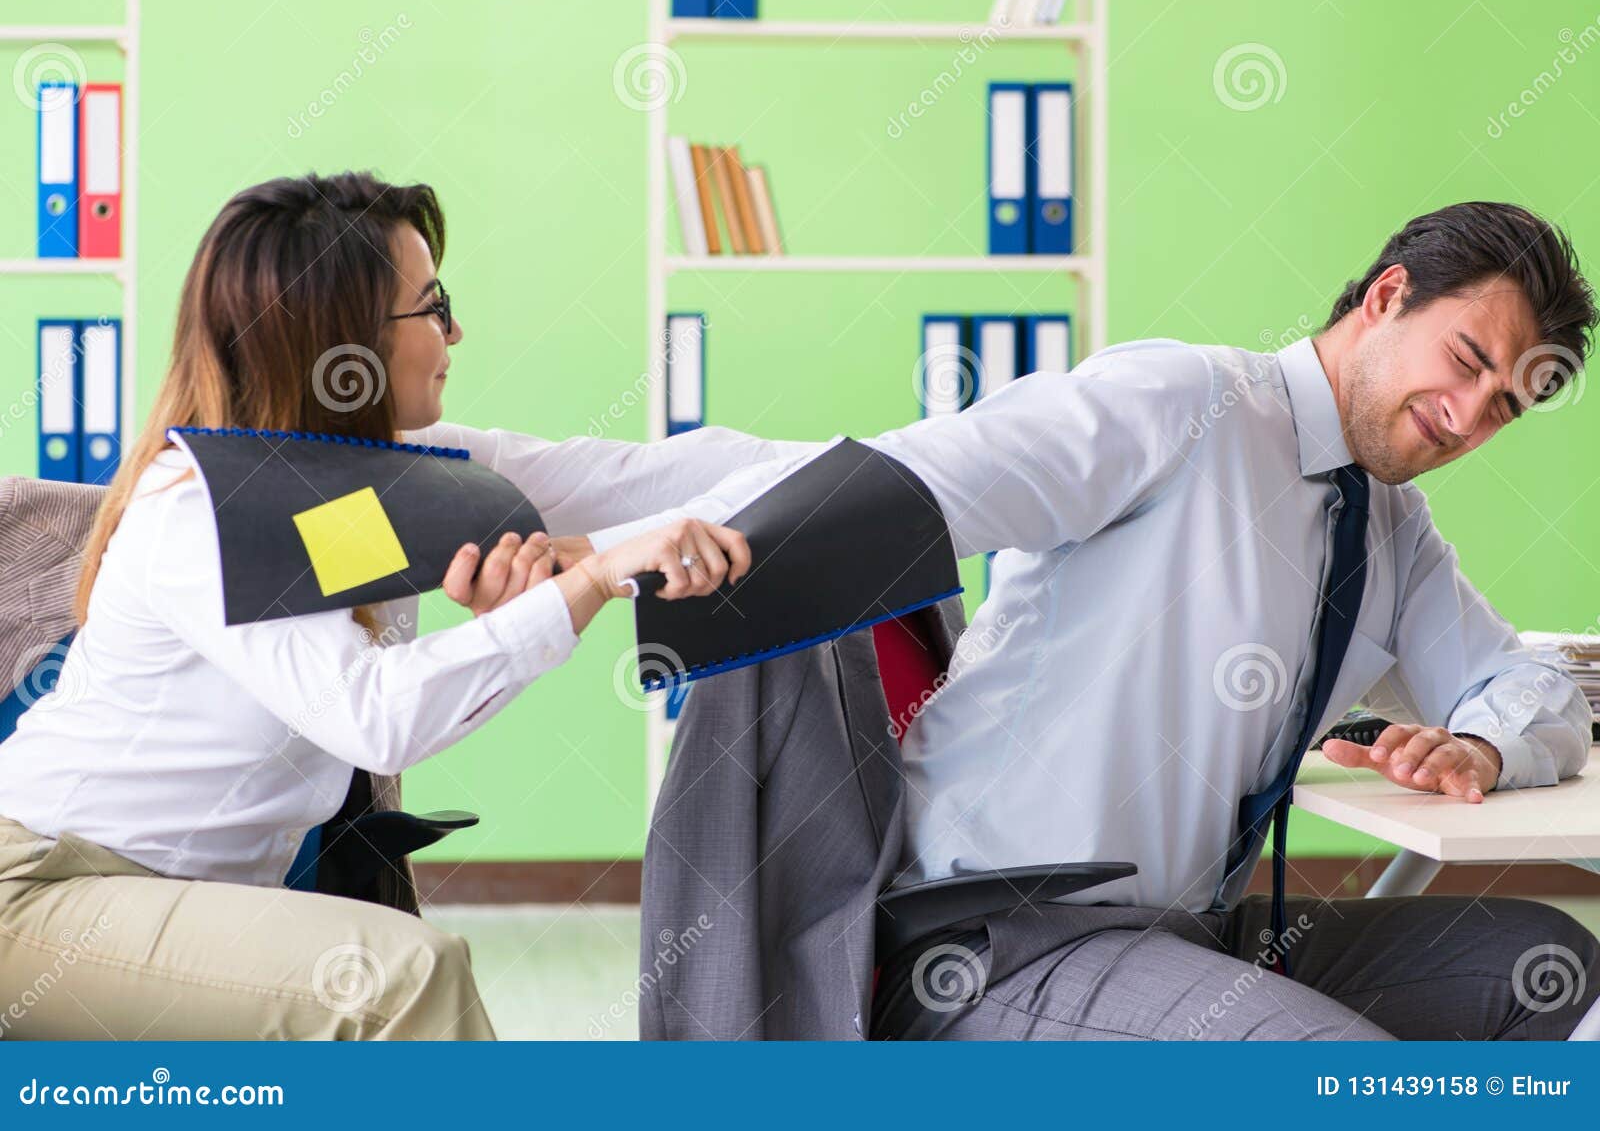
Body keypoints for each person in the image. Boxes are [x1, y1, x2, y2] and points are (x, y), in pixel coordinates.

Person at [592, 201, 1600, 1039]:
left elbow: (1534, 686)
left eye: (1505, 405)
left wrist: (1478, 744)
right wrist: (603, 538)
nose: (1468, 415)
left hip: (1190, 936)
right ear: (1386, 299)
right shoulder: (1184, 404)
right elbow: (907, 478)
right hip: (1000, 945)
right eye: (1465, 360)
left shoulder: (1390, 525)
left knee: (1551, 965)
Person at [0, 171, 810, 1040]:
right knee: (400, 977)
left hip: (174, 894)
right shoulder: (199, 511)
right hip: (47, 889)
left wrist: (863, 467)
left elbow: (614, 479)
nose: (456, 330)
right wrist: (589, 582)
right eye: (432, 307)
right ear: (338, 342)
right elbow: (370, 715)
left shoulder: (391, 470)